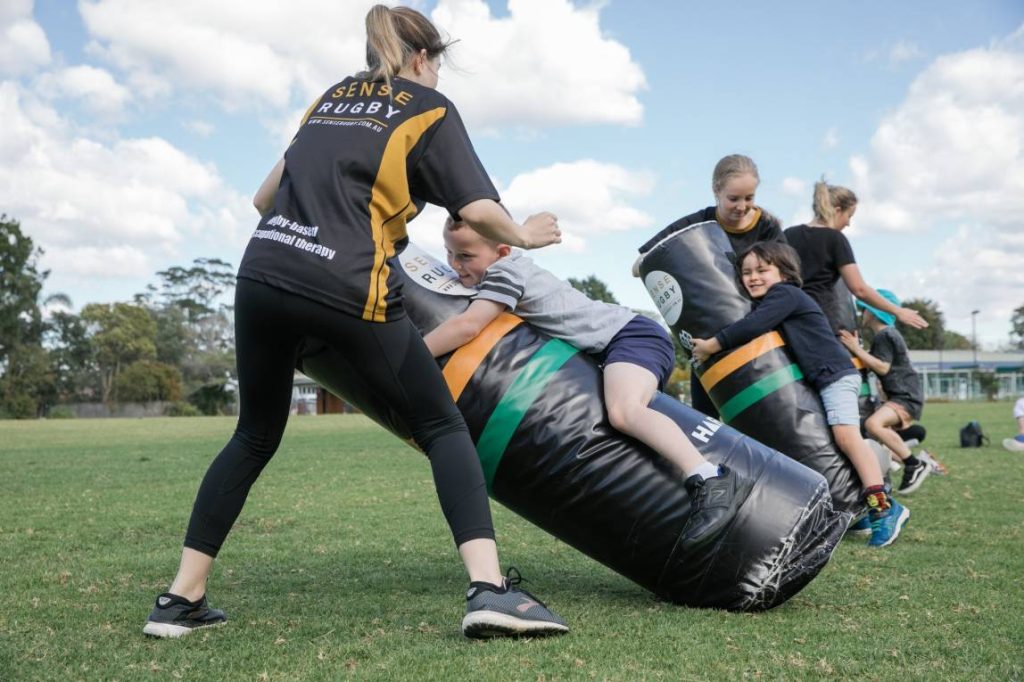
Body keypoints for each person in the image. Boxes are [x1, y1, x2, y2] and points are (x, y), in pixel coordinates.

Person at [143, 5, 569, 640]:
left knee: (254, 435)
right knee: (441, 425)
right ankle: (489, 590)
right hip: (345, 277)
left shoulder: (331, 98)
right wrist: (525, 234)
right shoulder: (428, 107)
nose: (436, 78)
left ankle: (180, 600)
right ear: (422, 58)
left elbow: (262, 199)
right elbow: (478, 208)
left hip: (261, 273)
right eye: (437, 66)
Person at [424, 217, 753, 549]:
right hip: (614, 345)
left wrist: (413, 355)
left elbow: (469, 326)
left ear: (502, 251)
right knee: (623, 423)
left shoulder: (504, 272)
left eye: (465, 256)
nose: (455, 264)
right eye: (448, 253)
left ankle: (713, 479)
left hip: (630, 337)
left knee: (624, 412)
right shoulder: (504, 267)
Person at [691, 242, 909, 547]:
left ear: (784, 273)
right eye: (746, 272)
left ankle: (885, 508)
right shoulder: (777, 298)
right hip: (823, 379)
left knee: (847, 437)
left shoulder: (786, 294)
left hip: (835, 375)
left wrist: (713, 345)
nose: (753, 277)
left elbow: (754, 325)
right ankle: (860, 509)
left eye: (762, 270)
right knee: (833, 443)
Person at [634, 154, 786, 417]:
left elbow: (787, 273)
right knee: (705, 414)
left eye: (749, 198)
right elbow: (640, 263)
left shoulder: (767, 227)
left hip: (758, 331)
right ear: (716, 191)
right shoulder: (700, 222)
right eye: (733, 199)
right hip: (708, 334)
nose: (742, 206)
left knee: (768, 412)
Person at [784, 180, 927, 334]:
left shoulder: (788, 234)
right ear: (837, 211)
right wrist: (898, 311)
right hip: (818, 319)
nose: (848, 223)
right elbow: (859, 289)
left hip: (787, 316)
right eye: (849, 216)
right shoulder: (835, 239)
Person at [839, 290, 930, 495]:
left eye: (864, 309)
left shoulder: (885, 335)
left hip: (905, 395)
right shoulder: (886, 335)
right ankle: (899, 461)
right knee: (873, 432)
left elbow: (882, 367)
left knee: (873, 424)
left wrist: (855, 348)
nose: (862, 313)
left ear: (874, 311)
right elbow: (873, 364)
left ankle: (914, 464)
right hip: (904, 395)